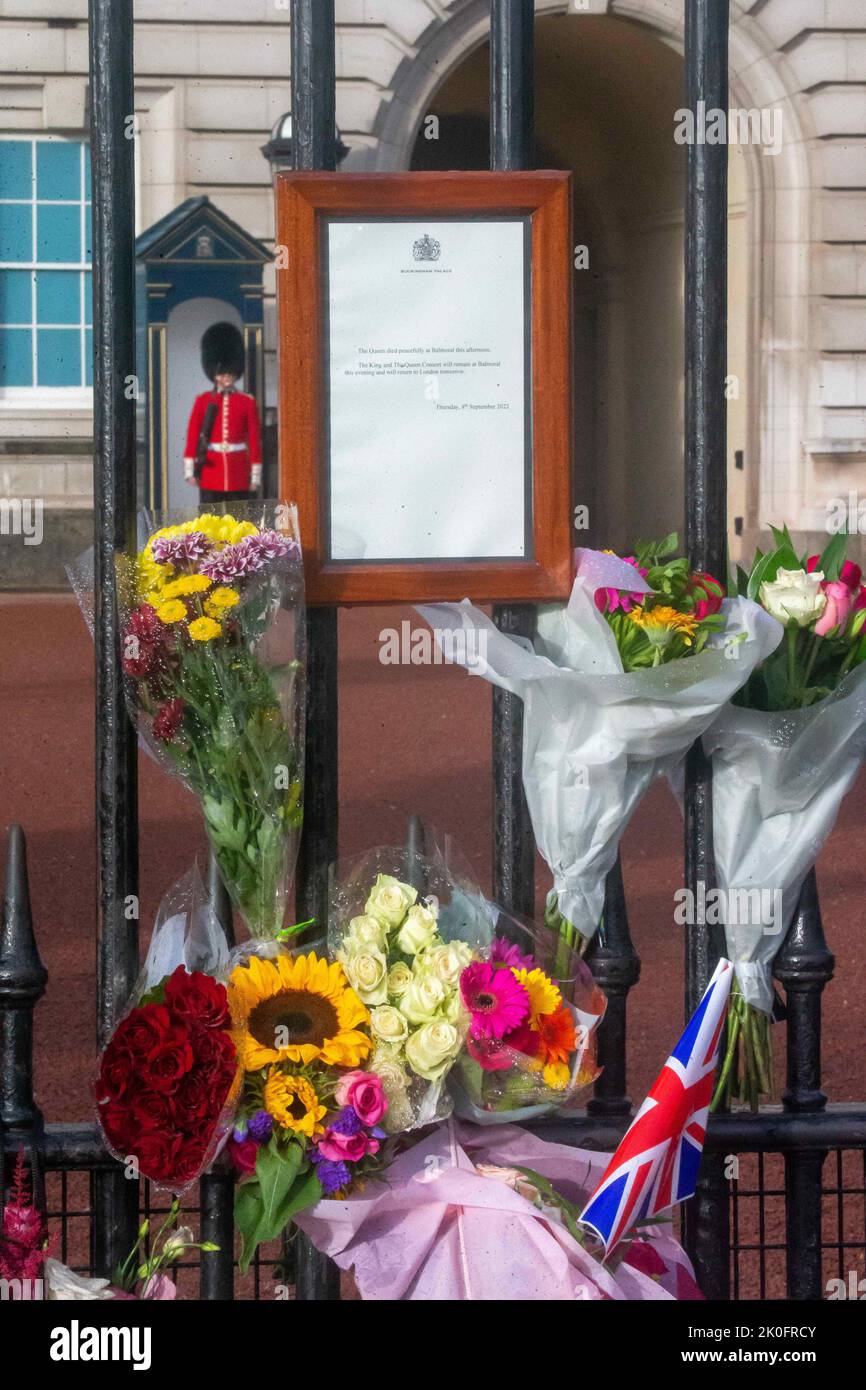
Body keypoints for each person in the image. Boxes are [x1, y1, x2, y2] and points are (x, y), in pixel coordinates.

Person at [183, 322, 262, 504]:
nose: (226, 376)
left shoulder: (247, 401)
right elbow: (193, 436)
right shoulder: (203, 400)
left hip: (238, 471)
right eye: (222, 372)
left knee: (240, 516)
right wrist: (189, 470)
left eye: (230, 373)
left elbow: (254, 440)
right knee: (209, 516)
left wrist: (255, 476)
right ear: (214, 372)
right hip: (211, 470)